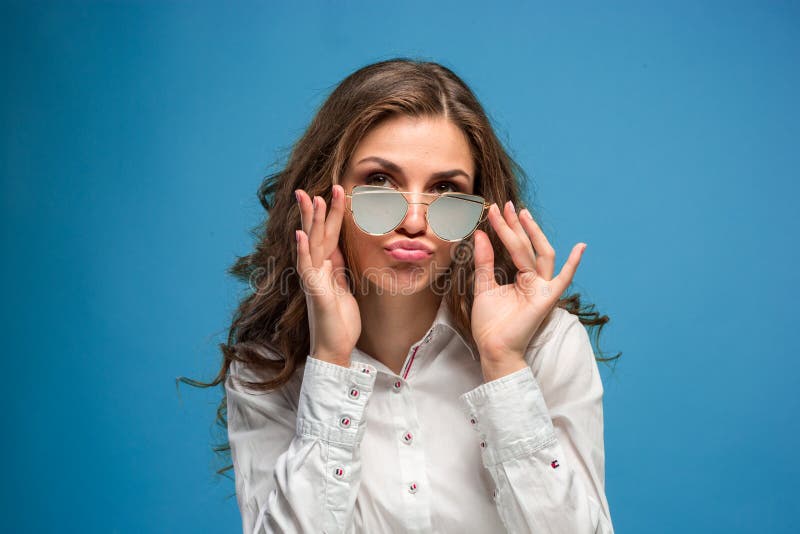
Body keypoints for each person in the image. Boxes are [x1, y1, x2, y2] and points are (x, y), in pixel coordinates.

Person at [217, 58, 617, 533]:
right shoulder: (268, 367)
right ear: (326, 195)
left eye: (446, 188)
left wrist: (504, 366)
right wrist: (329, 363)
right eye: (380, 181)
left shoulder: (547, 347)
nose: (413, 221)